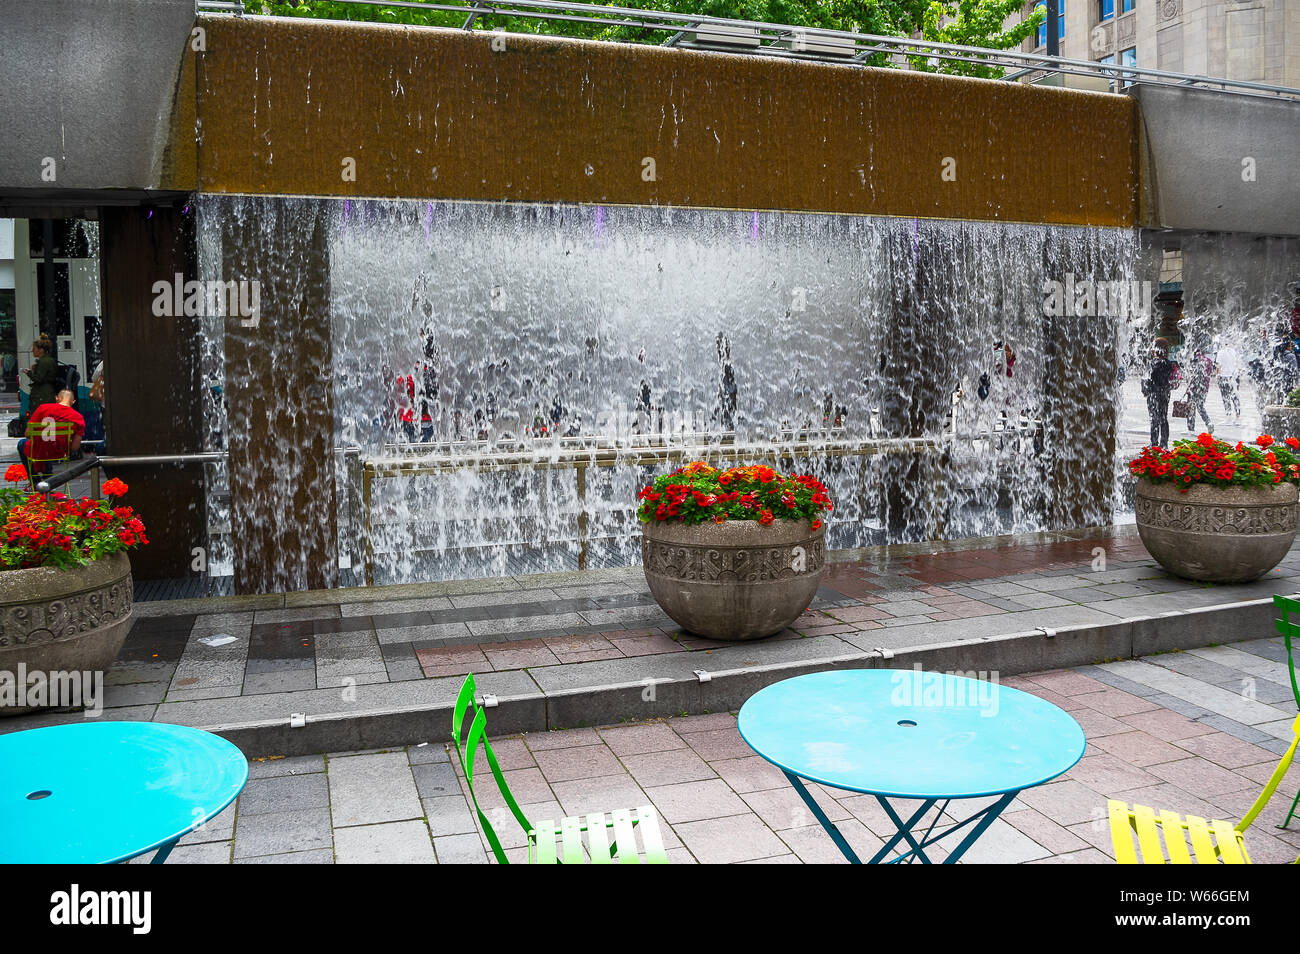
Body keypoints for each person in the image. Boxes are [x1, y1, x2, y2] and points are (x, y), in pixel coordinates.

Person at [18, 389, 84, 476]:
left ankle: (35, 480)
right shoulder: (78, 417)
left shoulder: (43, 408)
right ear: (73, 401)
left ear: (57, 398)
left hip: (38, 451)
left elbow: (27, 434)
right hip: (60, 452)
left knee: (22, 443)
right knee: (50, 444)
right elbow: (75, 447)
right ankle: (48, 478)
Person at [1142, 338, 1175, 448]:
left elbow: (1146, 379)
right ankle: (1164, 443)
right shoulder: (1168, 364)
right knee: (1163, 418)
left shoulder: (1152, 363)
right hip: (1165, 392)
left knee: (1154, 418)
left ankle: (1154, 442)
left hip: (1153, 394)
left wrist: (1145, 391)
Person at [1182, 341, 1214, 434]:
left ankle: (1190, 428)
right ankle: (1208, 422)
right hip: (1204, 388)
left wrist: (1189, 387)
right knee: (1200, 406)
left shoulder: (1195, 360)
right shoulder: (1209, 361)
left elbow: (1193, 376)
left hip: (1194, 388)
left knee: (1191, 407)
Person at [24, 335, 58, 411]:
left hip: (42, 396)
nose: (32, 350)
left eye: (34, 348)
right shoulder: (48, 360)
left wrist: (28, 372)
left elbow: (38, 379)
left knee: (41, 418)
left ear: (41, 350)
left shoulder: (44, 362)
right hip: (46, 394)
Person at [1213, 336, 1242, 423]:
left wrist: (1217, 375)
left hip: (1224, 376)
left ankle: (1228, 416)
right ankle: (1238, 417)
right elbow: (1238, 364)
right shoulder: (1234, 351)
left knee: (1225, 397)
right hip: (1234, 377)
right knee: (1235, 396)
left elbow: (1219, 366)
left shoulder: (1221, 352)